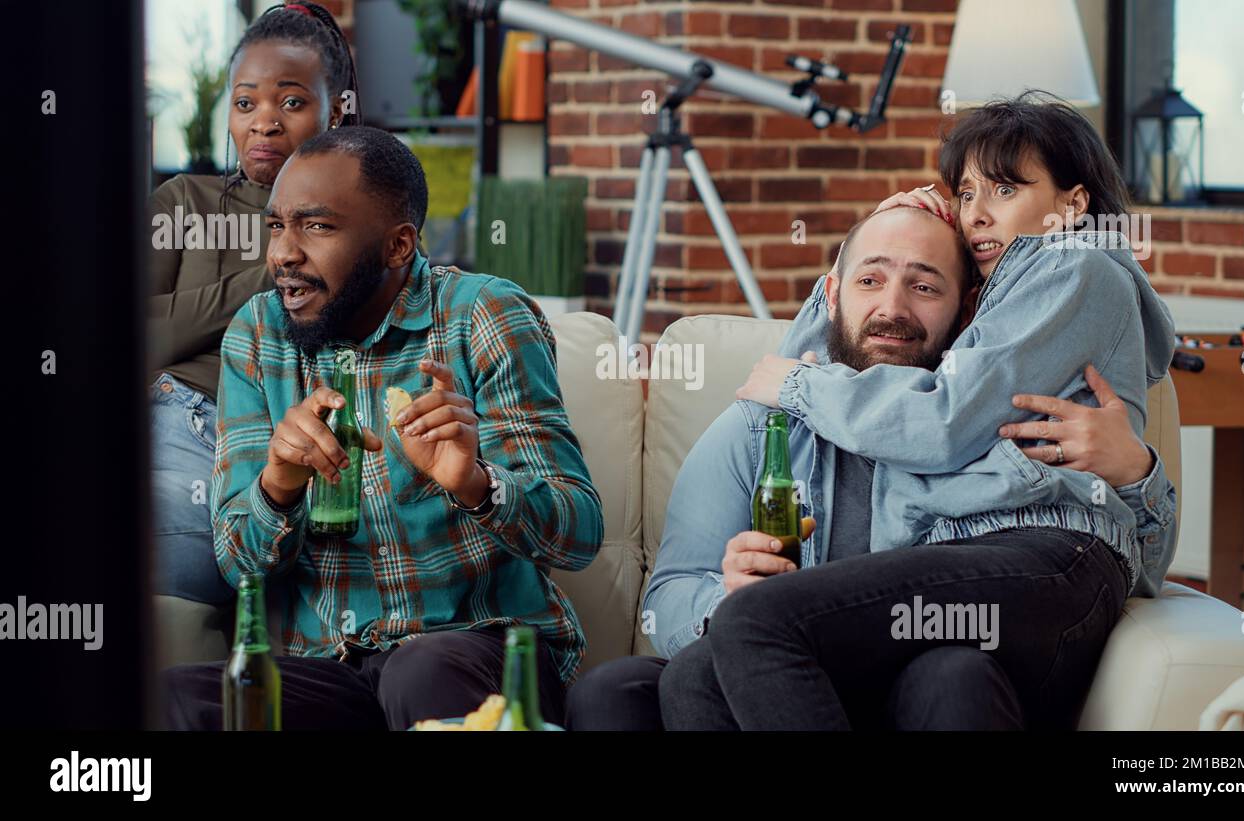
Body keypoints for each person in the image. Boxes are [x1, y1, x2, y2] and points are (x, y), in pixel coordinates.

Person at [568, 92, 1177, 731]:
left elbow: (944, 427)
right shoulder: (768, 423)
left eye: (924, 284)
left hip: (1008, 590)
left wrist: (1140, 477)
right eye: (966, 196)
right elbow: (667, 600)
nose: (892, 306)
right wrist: (723, 599)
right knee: (696, 659)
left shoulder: (1054, 287)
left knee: (937, 668)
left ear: (968, 312)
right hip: (838, 654)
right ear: (831, 295)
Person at [163, 127, 602, 730]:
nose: (283, 253)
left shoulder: (482, 314)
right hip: (328, 669)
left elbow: (577, 532)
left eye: (315, 227)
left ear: (398, 246)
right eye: (275, 226)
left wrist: (477, 484)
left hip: (469, 652)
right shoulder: (258, 333)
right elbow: (239, 567)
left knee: (419, 671)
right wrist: (277, 488)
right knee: (174, 700)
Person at [149, 2, 359, 606]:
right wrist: (270, 270)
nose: (264, 123)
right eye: (246, 103)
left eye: (291, 102)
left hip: (288, 446)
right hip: (179, 424)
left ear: (336, 109)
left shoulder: (364, 221)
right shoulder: (186, 202)